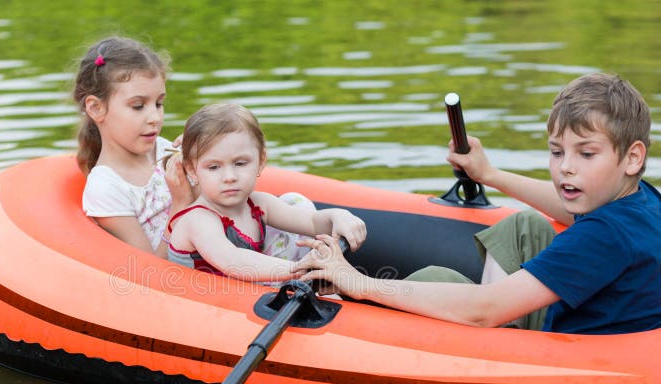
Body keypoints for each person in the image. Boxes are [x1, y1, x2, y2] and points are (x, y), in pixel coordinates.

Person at [295, 73, 661, 334]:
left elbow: (485, 310)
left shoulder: (601, 237)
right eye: (556, 151)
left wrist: (359, 283)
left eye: (586, 154)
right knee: (526, 226)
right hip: (586, 318)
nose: (566, 167)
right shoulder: (640, 198)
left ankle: (491, 345)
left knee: (434, 279)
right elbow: (568, 205)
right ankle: (500, 326)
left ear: (631, 157)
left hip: (566, 355)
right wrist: (489, 174)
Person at [167, 103, 367, 283]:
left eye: (240, 163)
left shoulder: (259, 204)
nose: (229, 176)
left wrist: (338, 216)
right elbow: (234, 260)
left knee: (297, 201)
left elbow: (312, 222)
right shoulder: (198, 219)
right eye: (213, 167)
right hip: (204, 305)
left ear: (261, 161)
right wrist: (299, 268)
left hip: (243, 297)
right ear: (192, 170)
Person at [75, 36, 195, 257]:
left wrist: (203, 159)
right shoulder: (106, 188)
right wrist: (180, 203)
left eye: (159, 103)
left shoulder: (164, 151)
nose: (154, 117)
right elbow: (152, 270)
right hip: (184, 278)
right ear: (96, 108)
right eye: (138, 106)